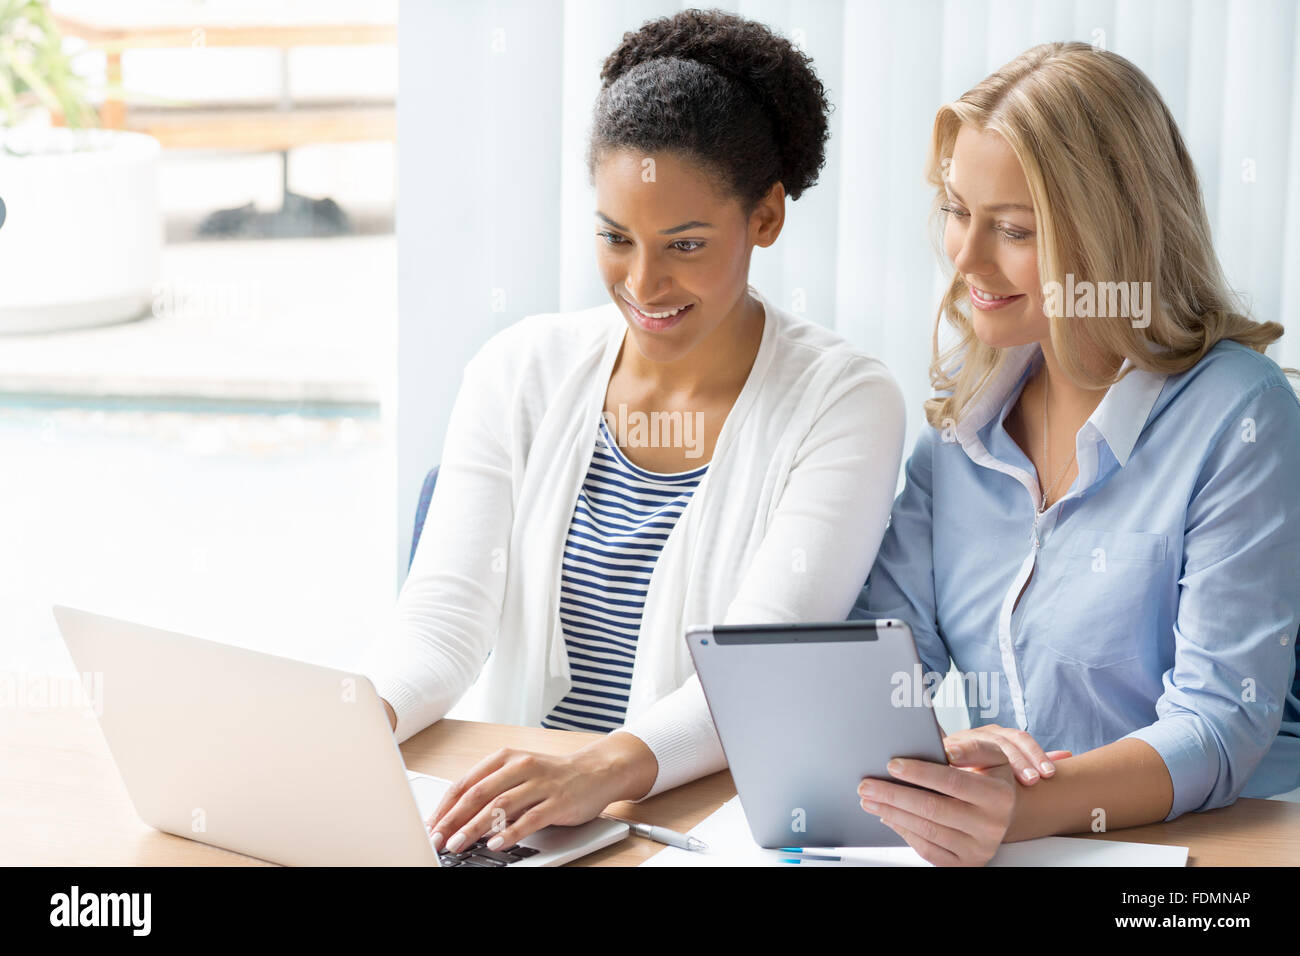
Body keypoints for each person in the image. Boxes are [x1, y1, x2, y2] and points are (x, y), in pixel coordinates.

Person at [357, 9, 906, 855]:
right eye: (616, 239)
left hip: (680, 827)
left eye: (685, 245)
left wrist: (597, 774)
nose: (644, 283)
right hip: (522, 826)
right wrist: (346, 729)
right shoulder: (521, 369)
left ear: (764, 218)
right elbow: (441, 624)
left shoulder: (845, 401)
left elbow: (755, 673)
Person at [850, 41, 1300, 865]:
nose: (966, 257)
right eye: (957, 211)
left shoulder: (1241, 415)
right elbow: (882, 655)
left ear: (1113, 235)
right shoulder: (962, 428)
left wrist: (1018, 807)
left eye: (1015, 229)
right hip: (1025, 845)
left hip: (1225, 848)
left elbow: (1218, 722)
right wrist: (944, 762)